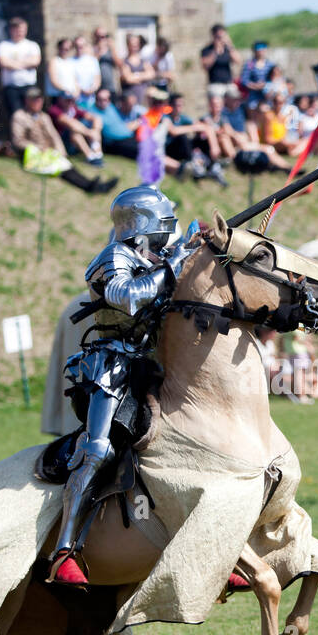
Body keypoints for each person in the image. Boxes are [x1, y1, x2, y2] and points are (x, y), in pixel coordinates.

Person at [48, 186, 198, 585]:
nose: (171, 232)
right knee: (98, 449)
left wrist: (196, 248)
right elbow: (129, 298)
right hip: (108, 365)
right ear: (144, 226)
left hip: (151, 365)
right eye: (165, 225)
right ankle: (65, 550)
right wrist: (172, 267)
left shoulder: (158, 256)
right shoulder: (112, 258)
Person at [11, 87, 116, 193]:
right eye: (34, 99)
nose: (38, 102)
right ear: (27, 101)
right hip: (33, 155)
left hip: (48, 152)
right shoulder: (20, 116)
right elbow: (18, 140)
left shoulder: (44, 116)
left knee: (66, 165)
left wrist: (61, 152)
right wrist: (38, 148)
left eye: (39, 99)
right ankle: (91, 186)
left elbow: (54, 136)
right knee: (64, 168)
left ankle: (93, 186)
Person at [0, 17, 42, 123]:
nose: (20, 32)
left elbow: (35, 61)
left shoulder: (32, 45)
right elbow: (4, 63)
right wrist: (25, 63)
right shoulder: (4, 46)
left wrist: (14, 63)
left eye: (22, 29)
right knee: (15, 115)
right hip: (12, 87)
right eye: (18, 29)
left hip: (29, 86)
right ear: (11, 30)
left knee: (32, 113)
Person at [199, 24, 236, 94]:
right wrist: (216, 51)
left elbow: (238, 60)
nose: (220, 38)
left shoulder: (228, 48)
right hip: (215, 84)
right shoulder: (207, 50)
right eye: (218, 36)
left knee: (235, 98)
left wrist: (230, 46)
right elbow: (205, 66)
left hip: (228, 82)